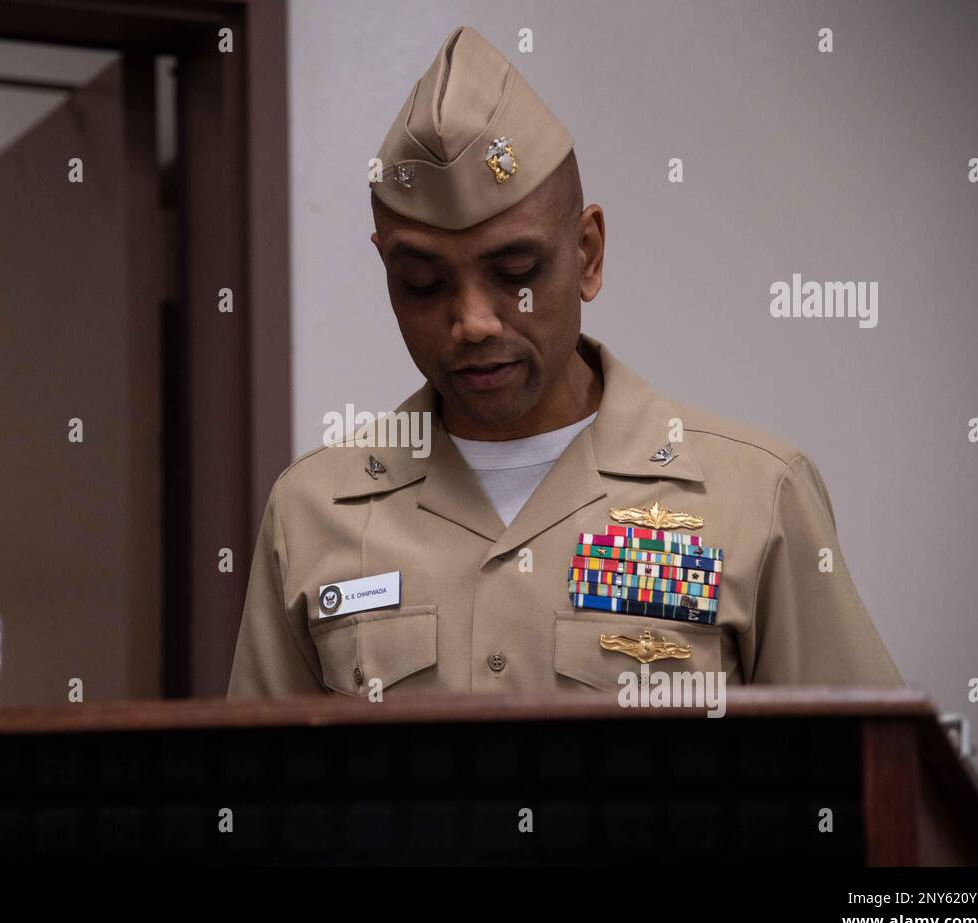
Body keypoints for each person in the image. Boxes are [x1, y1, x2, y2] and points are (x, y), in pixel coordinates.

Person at [227, 25, 902, 698]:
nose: (473, 323)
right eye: (424, 284)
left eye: (514, 270)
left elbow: (870, 778)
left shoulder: (753, 497)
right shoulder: (313, 513)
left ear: (588, 253)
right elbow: (259, 791)